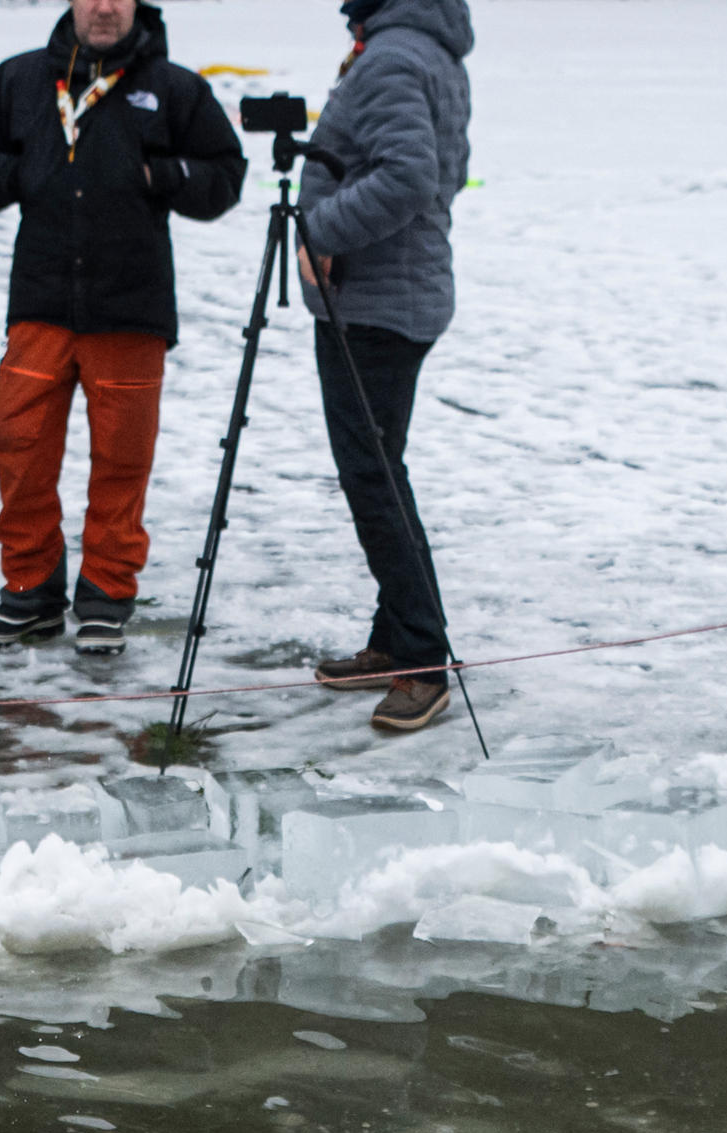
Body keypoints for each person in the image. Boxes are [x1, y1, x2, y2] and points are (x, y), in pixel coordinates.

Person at [0, 0, 244, 656]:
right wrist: (10, 174)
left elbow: (226, 175)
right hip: (42, 302)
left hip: (130, 308)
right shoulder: (22, 79)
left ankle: (107, 597)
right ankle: (29, 592)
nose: (105, 7)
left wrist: (158, 175)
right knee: (18, 444)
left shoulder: (173, 88)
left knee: (121, 460)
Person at [296, 0, 472, 737]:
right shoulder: (421, 46)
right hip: (392, 294)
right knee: (380, 467)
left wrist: (320, 227)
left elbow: (408, 177)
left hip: (376, 304)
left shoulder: (396, 55)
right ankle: (397, 637)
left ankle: (424, 661)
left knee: (373, 476)